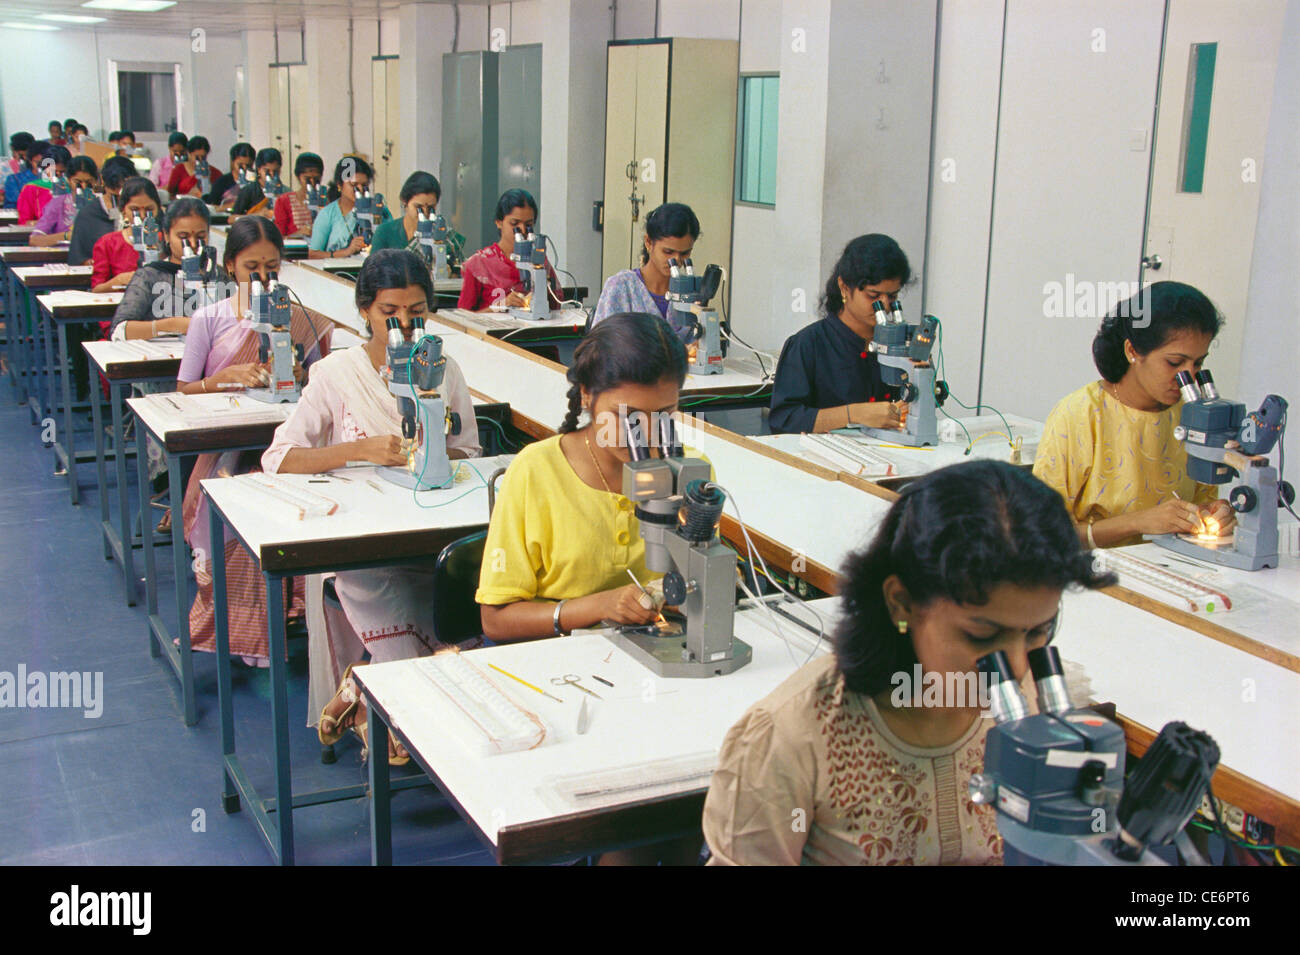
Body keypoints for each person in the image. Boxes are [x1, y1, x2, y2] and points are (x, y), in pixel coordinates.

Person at [702, 459, 1113, 865]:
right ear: (901, 602)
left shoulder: (1035, 707)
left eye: (1038, 631)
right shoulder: (790, 738)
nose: (1018, 668)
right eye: (983, 636)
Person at [262, 248, 480, 763]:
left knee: (476, 602)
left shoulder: (444, 370)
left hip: (432, 535)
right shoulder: (337, 374)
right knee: (395, 598)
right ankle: (396, 709)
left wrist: (432, 447)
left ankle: (369, 685)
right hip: (365, 546)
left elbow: (469, 450)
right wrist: (359, 449)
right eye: (390, 314)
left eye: (417, 313)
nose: (404, 326)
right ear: (364, 310)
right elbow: (279, 457)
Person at [476, 311, 689, 642]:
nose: (646, 435)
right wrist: (599, 606)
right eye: (627, 416)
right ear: (587, 393)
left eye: (663, 416)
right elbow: (496, 621)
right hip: (556, 659)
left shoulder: (685, 470)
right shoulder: (536, 472)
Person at [176, 216, 332, 663]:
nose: (264, 279)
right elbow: (183, 388)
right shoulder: (209, 319)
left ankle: (298, 612)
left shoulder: (302, 319)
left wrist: (299, 371)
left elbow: (321, 385)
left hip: (285, 444)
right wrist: (222, 377)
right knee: (243, 516)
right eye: (252, 269)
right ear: (230, 267)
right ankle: (246, 634)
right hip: (229, 451)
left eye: (273, 268)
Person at [1033, 281, 1236, 549]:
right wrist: (1137, 522)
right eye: (1174, 363)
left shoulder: (1191, 414)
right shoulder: (1079, 416)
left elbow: (1202, 500)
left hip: (1170, 566)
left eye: (1198, 363)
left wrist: (1214, 513)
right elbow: (1041, 536)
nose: (1189, 377)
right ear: (1132, 351)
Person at [769, 233, 908, 435]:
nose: (885, 306)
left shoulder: (900, 342)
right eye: (873, 296)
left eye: (892, 296)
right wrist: (853, 414)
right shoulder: (807, 345)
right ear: (844, 288)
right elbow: (784, 420)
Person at [108, 197, 230, 339]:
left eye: (200, 237)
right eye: (183, 237)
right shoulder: (150, 275)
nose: (193, 243)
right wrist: (169, 326)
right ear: (167, 236)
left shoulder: (218, 275)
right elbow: (119, 330)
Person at [591, 202, 699, 329]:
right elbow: (600, 344)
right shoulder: (621, 287)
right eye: (668, 252)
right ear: (648, 242)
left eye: (685, 253)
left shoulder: (688, 292)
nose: (677, 261)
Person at [456, 188, 561, 312]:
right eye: (514, 224)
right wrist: (501, 306)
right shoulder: (479, 264)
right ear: (499, 223)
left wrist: (543, 290)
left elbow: (556, 307)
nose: (522, 230)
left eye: (528, 225)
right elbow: (463, 318)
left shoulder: (539, 261)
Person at [368, 170, 465, 267]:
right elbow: (373, 273)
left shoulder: (445, 236)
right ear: (404, 202)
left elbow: (460, 270)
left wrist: (450, 272)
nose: (425, 213)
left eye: (431, 208)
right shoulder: (385, 232)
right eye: (418, 208)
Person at [308, 155, 391, 257]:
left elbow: (392, 244)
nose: (360, 189)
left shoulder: (379, 211)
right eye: (354, 185)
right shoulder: (327, 214)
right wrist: (347, 251)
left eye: (364, 185)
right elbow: (313, 254)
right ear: (339, 185)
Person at [90, 177, 161, 293]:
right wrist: (119, 280)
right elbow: (97, 289)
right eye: (134, 210)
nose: (143, 216)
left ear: (158, 209)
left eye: (149, 210)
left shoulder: (166, 241)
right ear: (123, 210)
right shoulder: (107, 243)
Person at [67, 156, 137, 266]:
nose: (120, 202)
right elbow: (77, 259)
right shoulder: (88, 214)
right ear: (102, 181)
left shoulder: (144, 209)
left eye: (125, 195)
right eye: (114, 196)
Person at [29, 155, 97, 247]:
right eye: (77, 182)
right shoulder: (58, 204)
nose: (84, 186)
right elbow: (34, 240)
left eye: (89, 182)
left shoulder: (103, 204)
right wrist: (66, 236)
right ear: (68, 181)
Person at [272, 151, 324, 245]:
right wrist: (297, 234)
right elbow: (278, 238)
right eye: (307, 179)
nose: (312, 183)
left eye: (316, 179)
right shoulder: (284, 201)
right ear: (298, 177)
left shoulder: (326, 200)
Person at [16, 144, 71, 224]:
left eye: (62, 172)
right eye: (54, 172)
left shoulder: (73, 187)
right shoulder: (31, 188)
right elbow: (24, 221)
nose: (58, 175)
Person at [229, 147, 283, 218]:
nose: (272, 174)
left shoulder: (285, 191)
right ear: (259, 169)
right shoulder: (248, 191)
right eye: (267, 171)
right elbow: (231, 218)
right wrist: (255, 215)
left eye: (275, 171)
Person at [207, 142, 256, 208]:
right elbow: (212, 208)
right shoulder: (222, 182)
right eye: (240, 165)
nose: (244, 169)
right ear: (232, 162)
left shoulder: (256, 182)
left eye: (248, 166)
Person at [0, 131, 36, 202]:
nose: (25, 158)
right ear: (13, 150)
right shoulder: (3, 168)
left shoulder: (35, 166)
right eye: (22, 156)